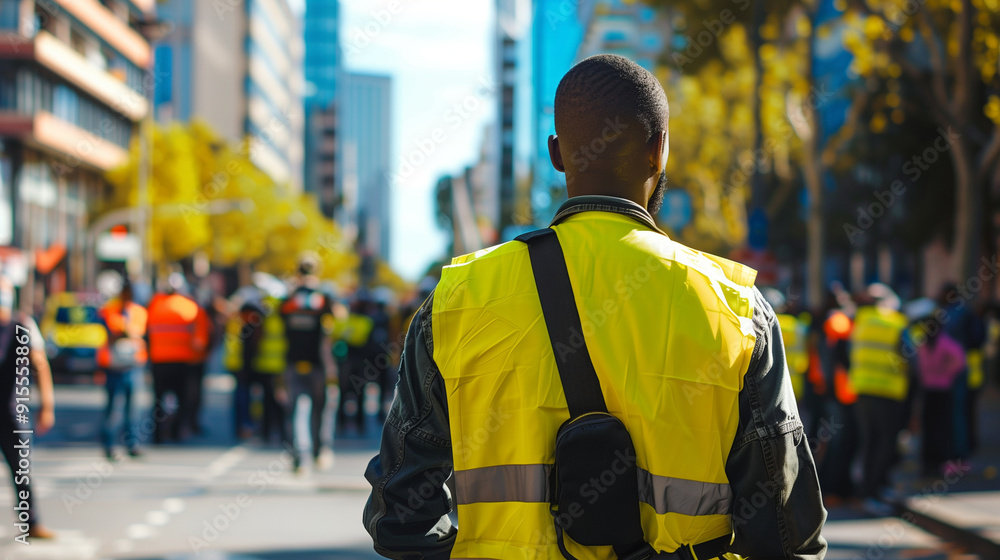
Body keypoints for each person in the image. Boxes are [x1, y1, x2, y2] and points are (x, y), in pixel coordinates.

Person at [363, 55, 826, 560]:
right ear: (660, 150)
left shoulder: (457, 300)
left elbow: (400, 515)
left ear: (557, 154)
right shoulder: (735, 309)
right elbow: (786, 532)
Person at [0, 276, 55, 538]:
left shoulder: (22, 324)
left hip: (13, 410)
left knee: (21, 468)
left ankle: (31, 522)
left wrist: (47, 405)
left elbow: (40, 364)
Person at [849, 284, 910, 514]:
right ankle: (873, 492)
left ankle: (871, 491)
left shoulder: (859, 320)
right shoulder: (896, 322)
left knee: (870, 442)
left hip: (862, 388)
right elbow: (909, 354)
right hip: (888, 390)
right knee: (884, 444)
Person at [280, 255, 337, 471]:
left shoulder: (289, 297)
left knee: (293, 411)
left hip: (292, 359)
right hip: (319, 362)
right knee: (321, 409)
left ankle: (297, 457)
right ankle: (319, 451)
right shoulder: (323, 296)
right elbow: (338, 320)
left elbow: (278, 320)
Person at [147, 274, 211, 443]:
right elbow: (200, 342)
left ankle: (158, 434)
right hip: (183, 360)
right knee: (182, 398)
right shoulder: (192, 308)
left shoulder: (155, 306)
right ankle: (176, 431)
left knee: (159, 398)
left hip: (159, 360)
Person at [224, 288, 288, 443]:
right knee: (259, 396)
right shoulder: (266, 314)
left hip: (250, 363)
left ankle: (252, 427)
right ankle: (258, 427)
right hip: (253, 363)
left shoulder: (243, 316)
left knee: (252, 395)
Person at [97, 279, 148, 460]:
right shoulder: (109, 310)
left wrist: (125, 331)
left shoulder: (139, 312)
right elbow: (110, 331)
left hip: (133, 365)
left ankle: (132, 444)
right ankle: (109, 445)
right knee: (112, 408)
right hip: (113, 365)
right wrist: (124, 332)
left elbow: (139, 333)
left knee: (133, 408)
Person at [914, 321, 965, 475]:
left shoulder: (935, 342)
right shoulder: (931, 343)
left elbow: (958, 361)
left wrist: (943, 373)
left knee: (936, 428)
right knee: (936, 428)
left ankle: (935, 462)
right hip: (935, 390)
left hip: (936, 390)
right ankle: (933, 462)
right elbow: (959, 360)